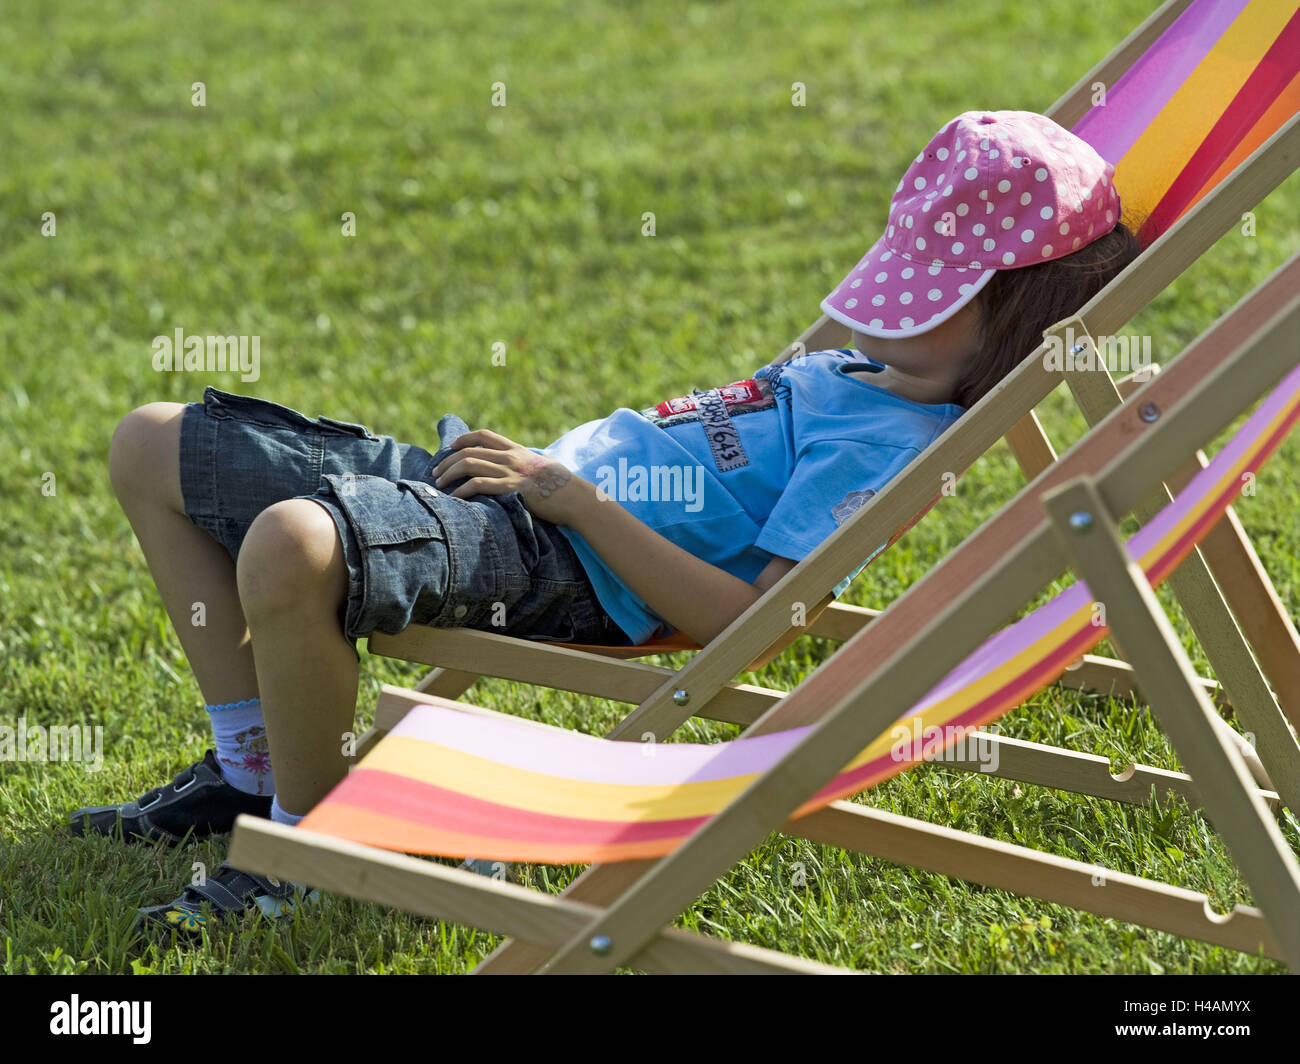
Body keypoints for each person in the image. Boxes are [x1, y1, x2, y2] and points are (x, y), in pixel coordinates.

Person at [73, 110, 1141, 930]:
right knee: (151, 441)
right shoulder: (860, 367)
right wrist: (546, 480)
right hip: (521, 494)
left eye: (930, 290)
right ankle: (250, 764)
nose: (887, 301)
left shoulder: (880, 445)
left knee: (291, 545)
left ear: (1015, 311)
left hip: (569, 557)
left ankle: (308, 854)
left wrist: (570, 498)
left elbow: (745, 621)